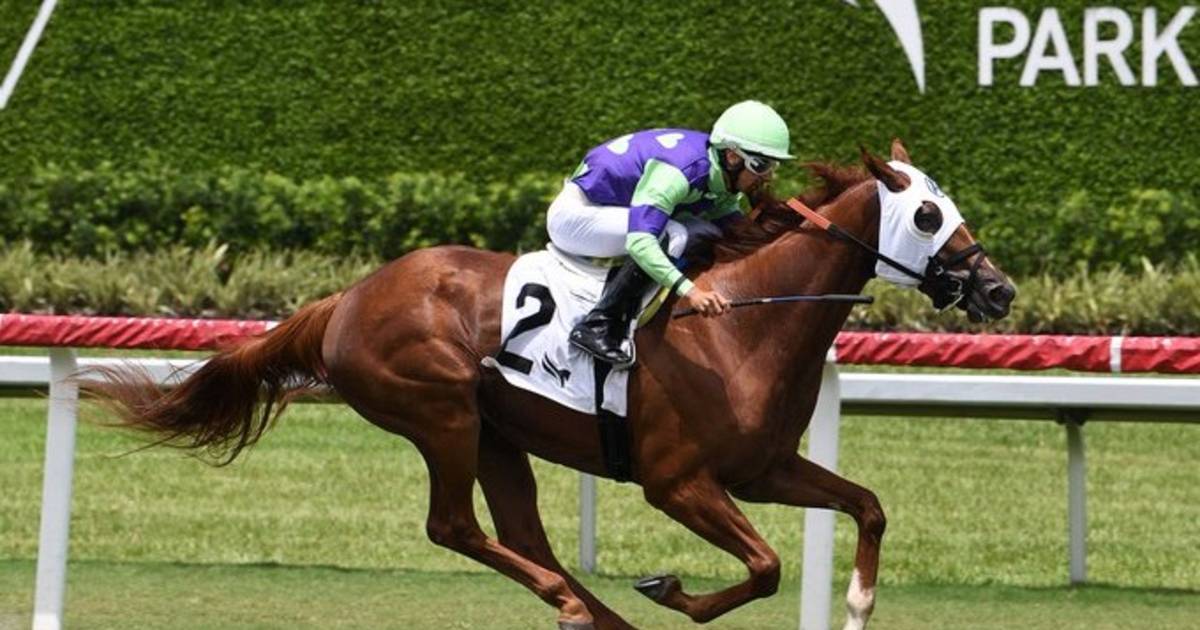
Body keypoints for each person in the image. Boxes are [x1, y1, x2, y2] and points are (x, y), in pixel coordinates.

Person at [546, 100, 795, 365]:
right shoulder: (678, 171)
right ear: (732, 156)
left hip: (610, 214)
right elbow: (641, 242)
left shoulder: (719, 175)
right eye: (761, 165)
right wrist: (692, 292)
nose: (768, 176)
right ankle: (598, 324)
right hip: (575, 219)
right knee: (672, 234)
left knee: (705, 230)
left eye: (774, 166)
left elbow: (735, 231)